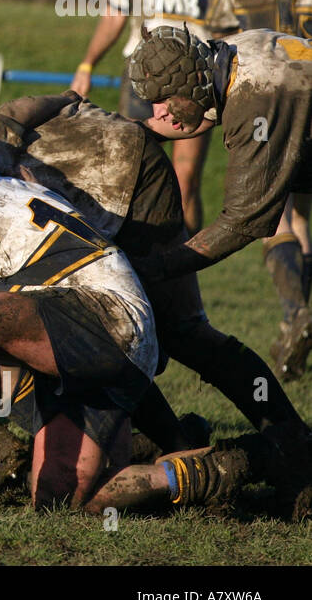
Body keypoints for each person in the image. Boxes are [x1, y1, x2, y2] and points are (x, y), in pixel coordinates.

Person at [0, 115, 248, 511]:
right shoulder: (9, 190)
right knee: (61, 498)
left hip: (102, 321)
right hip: (117, 342)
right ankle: (215, 467)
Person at [128, 25, 312, 380]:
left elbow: (242, 223)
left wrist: (155, 269)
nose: (161, 112)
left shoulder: (256, 100)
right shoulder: (223, 55)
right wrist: (128, 131)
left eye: (167, 99)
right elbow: (199, 109)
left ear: (196, 77)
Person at [69, 0, 229, 233]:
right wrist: (88, 64)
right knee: (135, 172)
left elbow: (231, 25)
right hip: (140, 73)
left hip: (195, 79)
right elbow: (116, 12)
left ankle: (186, 276)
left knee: (184, 179)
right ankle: (141, 271)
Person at [204, 0, 312, 370]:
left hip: (272, 94)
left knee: (276, 211)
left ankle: (295, 314)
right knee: (304, 211)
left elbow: (218, 31)